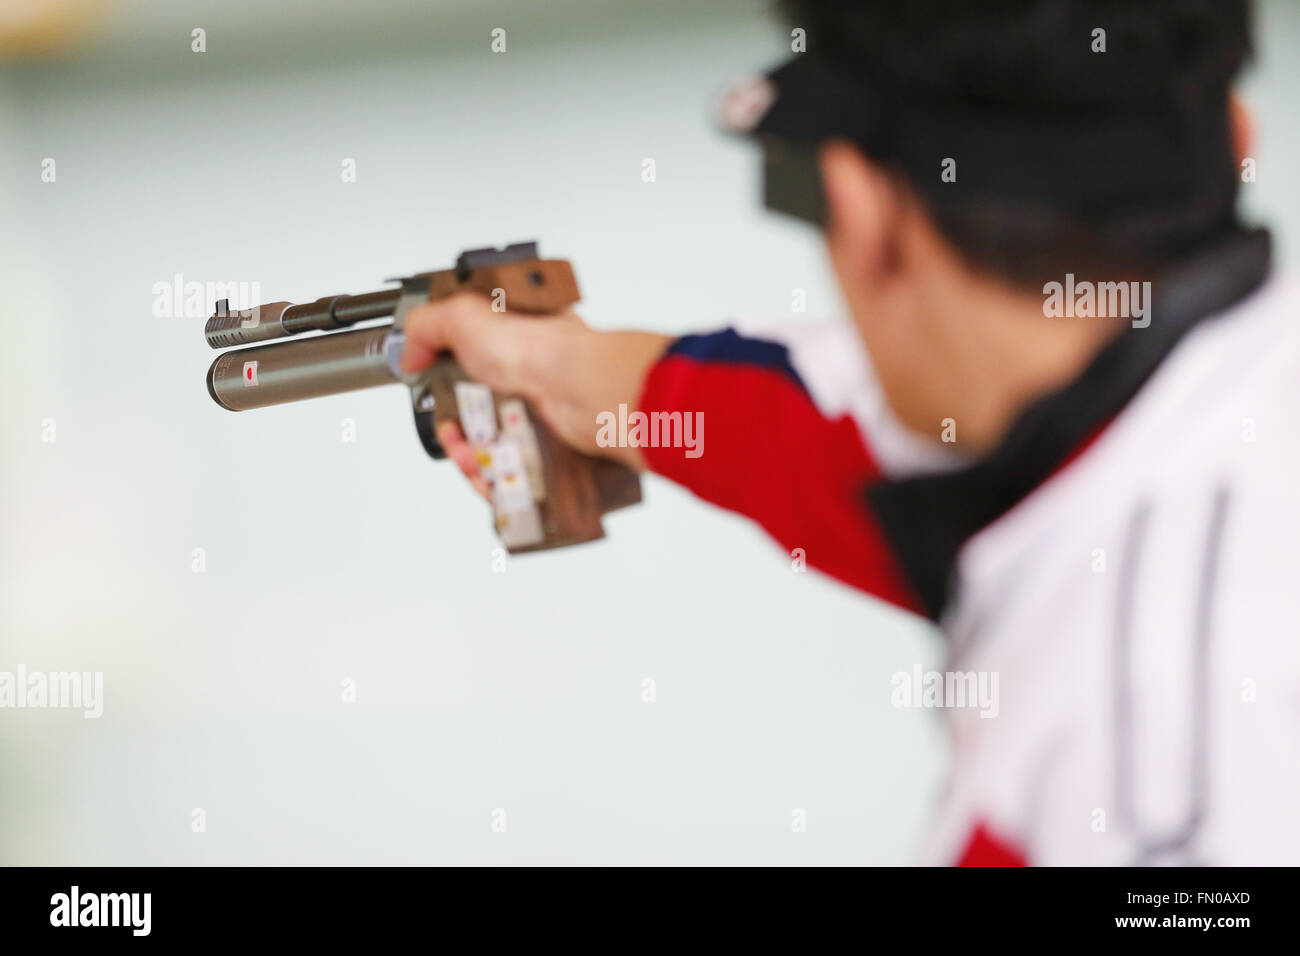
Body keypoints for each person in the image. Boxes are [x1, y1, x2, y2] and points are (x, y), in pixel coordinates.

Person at [400, 0, 1299, 865]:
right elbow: (810, 429)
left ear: (859, 206)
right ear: (1234, 141)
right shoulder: (1194, 406)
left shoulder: (1143, 769)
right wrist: (549, 368)